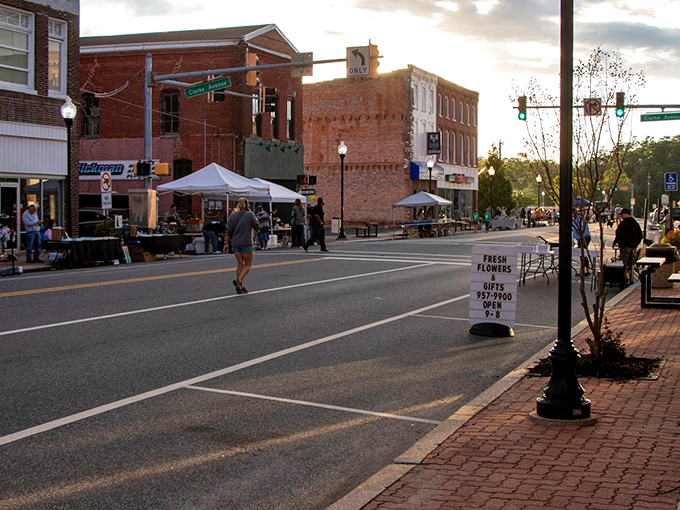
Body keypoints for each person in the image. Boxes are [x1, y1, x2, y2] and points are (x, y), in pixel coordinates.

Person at [224, 198, 260, 294]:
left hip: (235, 243)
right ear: (247, 205)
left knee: (240, 264)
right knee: (248, 265)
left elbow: (228, 230)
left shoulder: (232, 215)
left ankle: (240, 286)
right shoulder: (250, 214)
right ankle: (239, 279)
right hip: (246, 242)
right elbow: (257, 225)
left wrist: (225, 243)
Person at [613, 208, 643, 283]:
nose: (621, 217)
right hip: (633, 247)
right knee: (632, 264)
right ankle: (631, 278)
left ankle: (625, 279)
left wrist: (616, 242)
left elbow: (619, 234)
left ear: (625, 214)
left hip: (625, 247)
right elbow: (640, 235)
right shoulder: (635, 223)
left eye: (622, 215)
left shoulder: (623, 224)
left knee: (623, 264)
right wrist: (635, 244)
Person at [572, 210, 591, 275]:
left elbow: (581, 228)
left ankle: (587, 271)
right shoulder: (575, 219)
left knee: (582, 254)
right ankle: (583, 271)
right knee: (581, 255)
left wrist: (578, 231)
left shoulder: (578, 218)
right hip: (580, 238)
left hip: (584, 237)